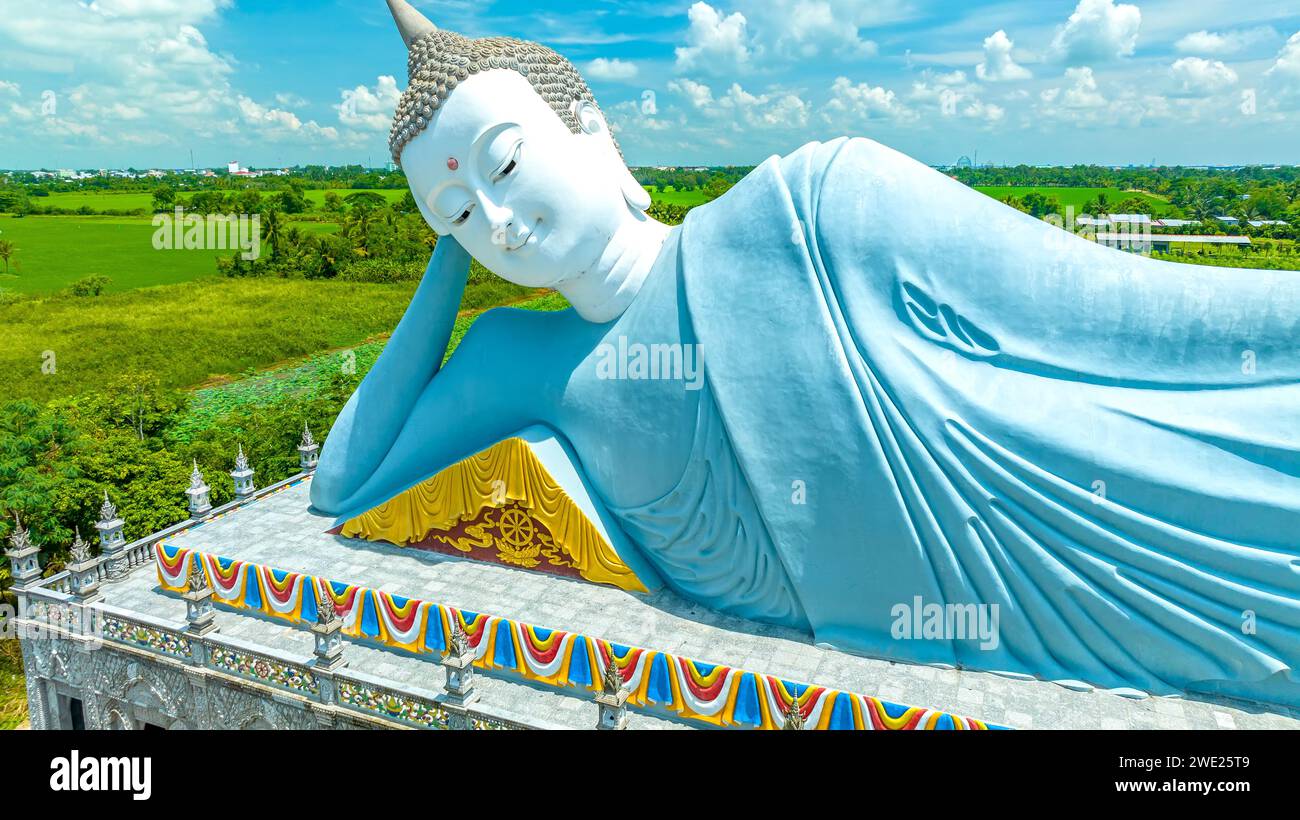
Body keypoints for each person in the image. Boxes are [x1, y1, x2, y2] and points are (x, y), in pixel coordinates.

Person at [313, 0, 1300, 706]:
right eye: (457, 214)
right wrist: (441, 263)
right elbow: (344, 484)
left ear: (593, 132)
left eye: (506, 162)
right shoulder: (515, 358)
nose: (498, 220)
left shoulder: (820, 209)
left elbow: (1144, 315)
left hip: (1078, 526)